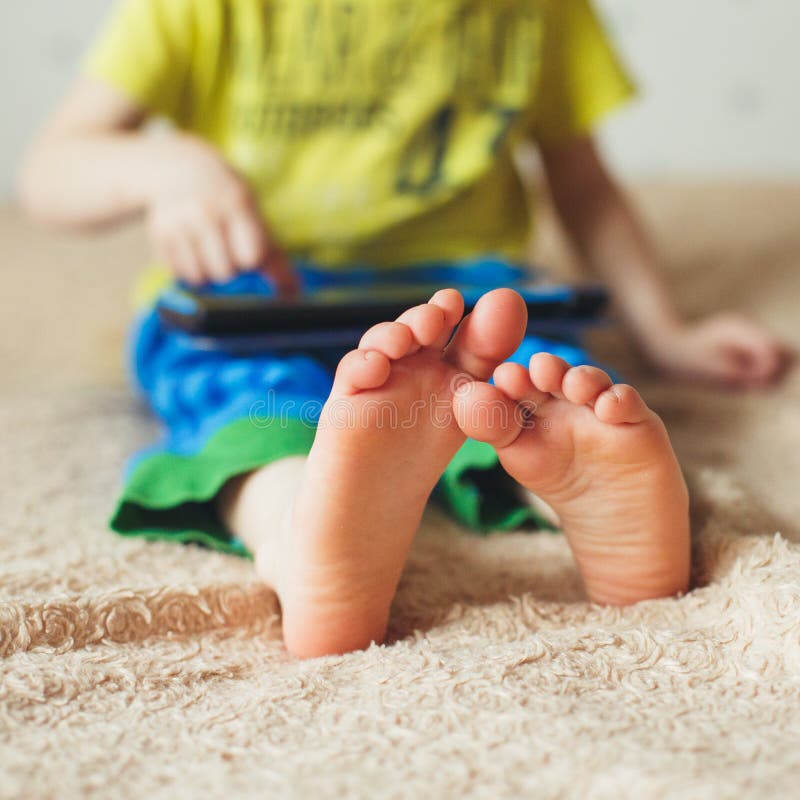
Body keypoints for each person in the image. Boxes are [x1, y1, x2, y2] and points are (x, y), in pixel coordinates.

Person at [17, 0, 783, 658]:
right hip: (251, 300)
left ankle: (590, 504)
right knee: (263, 407)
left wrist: (665, 331)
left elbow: (584, 188)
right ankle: (301, 535)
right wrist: (164, 170)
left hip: (467, 304)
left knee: (537, 389)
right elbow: (50, 172)